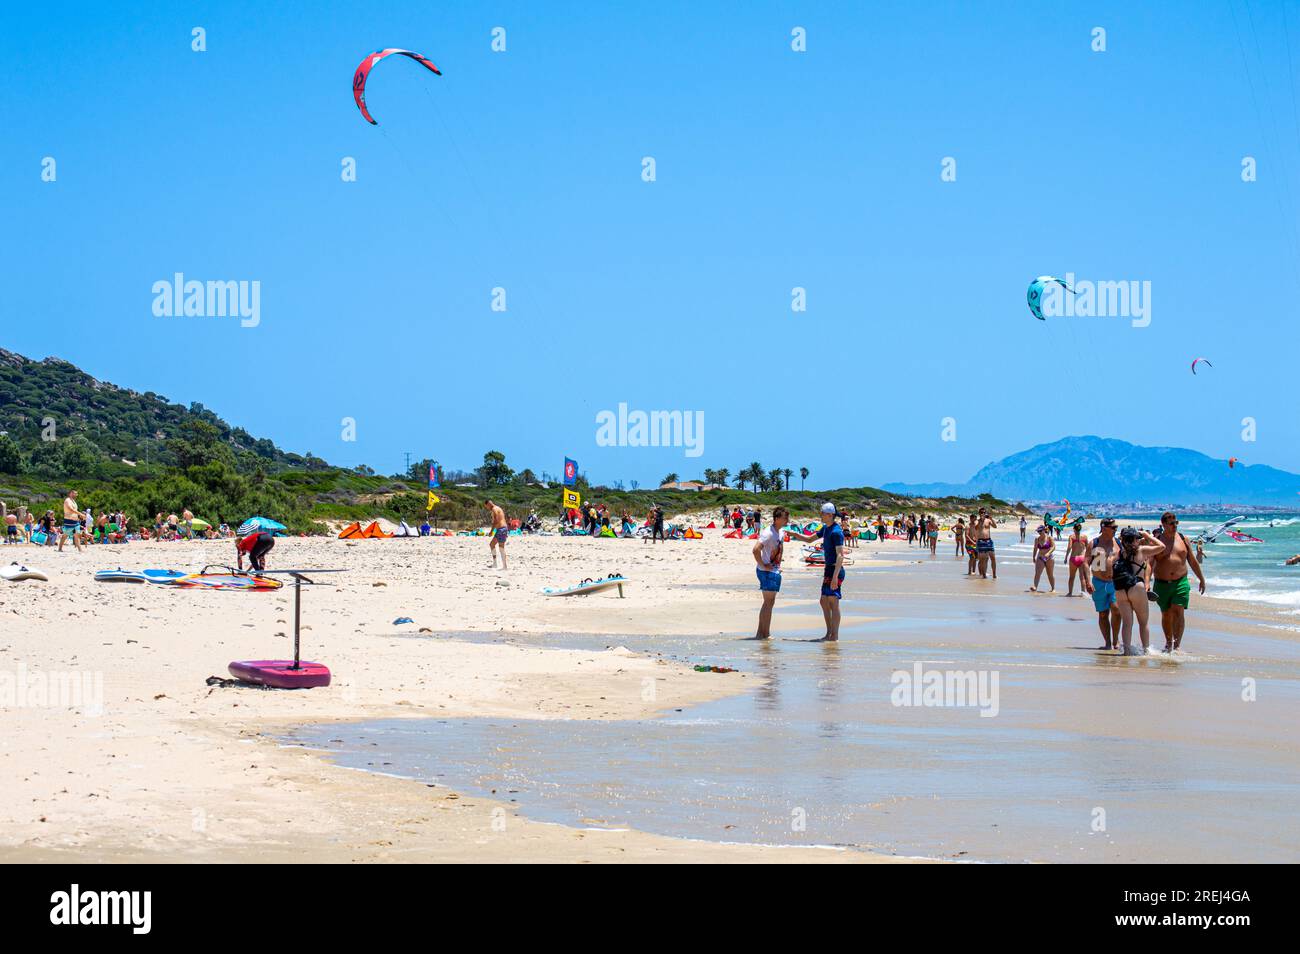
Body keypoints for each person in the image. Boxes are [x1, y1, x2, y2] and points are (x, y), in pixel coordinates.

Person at [787, 502, 848, 642]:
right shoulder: (826, 529)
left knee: (833, 602)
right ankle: (829, 633)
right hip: (828, 569)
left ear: (830, 515)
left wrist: (834, 578)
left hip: (836, 570)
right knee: (823, 601)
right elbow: (809, 539)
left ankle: (835, 636)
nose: (820, 515)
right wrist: (794, 534)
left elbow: (840, 555)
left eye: (822, 513)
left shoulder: (837, 532)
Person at [1151, 512, 1207, 652]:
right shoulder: (1157, 541)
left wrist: (1201, 579)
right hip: (1161, 583)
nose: (1174, 526)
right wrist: (1146, 583)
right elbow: (1150, 564)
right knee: (1166, 613)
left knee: (1178, 610)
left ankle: (1176, 645)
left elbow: (1192, 561)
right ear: (1163, 525)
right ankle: (1168, 642)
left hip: (1180, 581)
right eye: (1171, 523)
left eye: (1176, 523)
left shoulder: (1183, 539)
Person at [1112, 527, 1167, 655]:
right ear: (1136, 539)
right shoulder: (1141, 550)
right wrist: (1147, 536)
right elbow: (1162, 546)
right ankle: (1146, 650)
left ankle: (1126, 651)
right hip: (1137, 587)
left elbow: (1110, 570)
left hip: (1120, 589)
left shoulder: (1117, 553)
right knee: (1143, 622)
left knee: (1127, 623)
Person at [1084, 518, 1123, 650]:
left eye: (1116, 527)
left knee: (1117, 610)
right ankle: (1107, 642)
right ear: (1104, 528)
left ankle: (1116, 640)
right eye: (1113, 527)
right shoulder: (1094, 543)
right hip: (1098, 583)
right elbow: (1086, 562)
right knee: (1103, 614)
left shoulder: (1118, 543)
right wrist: (1087, 582)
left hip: (1114, 582)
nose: (1115, 530)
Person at [751, 506, 789, 639]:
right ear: (777, 518)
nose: (787, 520)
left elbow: (780, 547)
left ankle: (761, 633)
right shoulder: (768, 533)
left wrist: (778, 565)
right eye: (785, 518)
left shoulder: (781, 531)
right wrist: (763, 565)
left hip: (774, 571)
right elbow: (756, 549)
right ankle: (764, 634)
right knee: (768, 603)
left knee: (769, 603)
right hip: (766, 572)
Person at [1062, 522, 1090, 596]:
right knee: (1082, 577)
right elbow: (1088, 548)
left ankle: (1070, 593)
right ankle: (1083, 593)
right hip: (1082, 558)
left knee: (1071, 577)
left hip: (1074, 558)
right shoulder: (1085, 537)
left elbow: (1069, 547)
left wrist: (1066, 557)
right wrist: (1089, 558)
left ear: (1074, 529)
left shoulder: (1071, 537)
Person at [483, 499, 509, 568]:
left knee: (496, 546)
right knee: (498, 546)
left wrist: (491, 531)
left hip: (501, 529)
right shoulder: (498, 508)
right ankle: (501, 565)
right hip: (503, 529)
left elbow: (495, 521)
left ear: (488, 504)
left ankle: (499, 565)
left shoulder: (494, 509)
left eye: (486, 507)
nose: (487, 508)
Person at [1029, 525, 1056, 592]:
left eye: (1040, 531)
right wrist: (1033, 557)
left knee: (1050, 574)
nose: (1039, 532)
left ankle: (1053, 588)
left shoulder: (1049, 538)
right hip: (1040, 557)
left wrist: (1048, 553)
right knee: (1037, 573)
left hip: (1049, 558)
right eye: (1038, 531)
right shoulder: (1037, 539)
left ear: (1044, 530)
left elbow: (1053, 547)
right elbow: (1035, 549)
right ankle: (1035, 586)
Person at [973, 507, 996, 579]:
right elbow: (976, 528)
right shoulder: (977, 521)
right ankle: (984, 575)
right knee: (983, 559)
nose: (983, 514)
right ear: (979, 513)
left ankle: (994, 574)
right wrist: (981, 521)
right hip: (981, 541)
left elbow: (995, 526)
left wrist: (991, 518)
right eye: (981, 512)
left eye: (984, 512)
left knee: (993, 558)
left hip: (989, 540)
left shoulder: (988, 520)